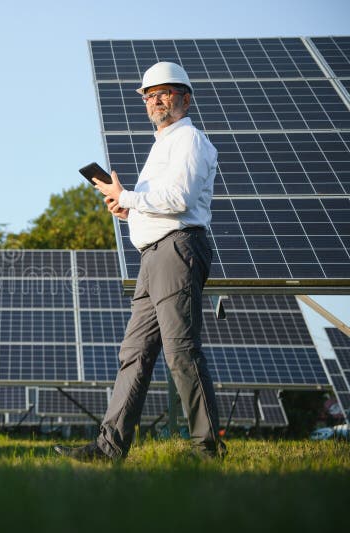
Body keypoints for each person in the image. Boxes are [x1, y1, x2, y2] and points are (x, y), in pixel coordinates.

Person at [55, 61, 225, 460]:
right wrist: (129, 210)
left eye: (164, 93)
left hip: (178, 251)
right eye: (150, 95)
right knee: (134, 353)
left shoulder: (189, 140)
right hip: (154, 256)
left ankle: (206, 448)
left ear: (185, 98)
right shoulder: (162, 145)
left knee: (181, 350)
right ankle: (108, 448)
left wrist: (128, 196)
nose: (155, 101)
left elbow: (180, 200)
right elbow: (163, 203)